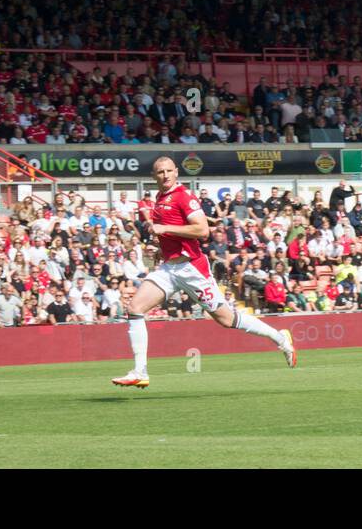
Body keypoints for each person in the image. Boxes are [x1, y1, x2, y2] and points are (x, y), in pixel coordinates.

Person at [112, 156, 296, 389]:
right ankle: (140, 372)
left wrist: (165, 228)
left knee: (227, 319)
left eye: (169, 171)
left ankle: (280, 338)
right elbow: (174, 235)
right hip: (170, 268)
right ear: (154, 176)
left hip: (192, 270)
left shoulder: (184, 196)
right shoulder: (160, 198)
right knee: (135, 308)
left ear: (176, 172)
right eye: (160, 172)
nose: (165, 175)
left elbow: (202, 230)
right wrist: (160, 247)